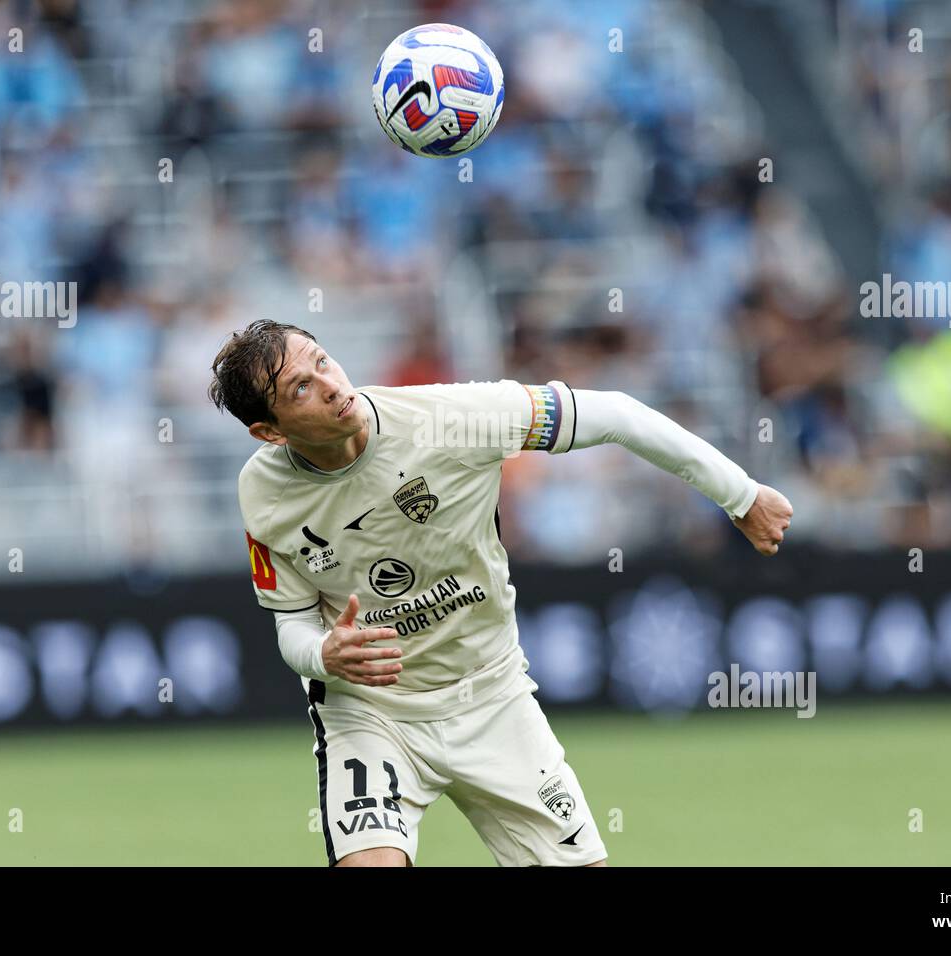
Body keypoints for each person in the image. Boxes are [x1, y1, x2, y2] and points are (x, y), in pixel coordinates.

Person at [209, 320, 793, 867]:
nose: (333, 385)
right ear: (270, 431)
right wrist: (323, 656)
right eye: (302, 387)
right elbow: (291, 625)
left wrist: (740, 495)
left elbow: (615, 414)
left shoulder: (452, 419)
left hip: (492, 695)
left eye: (323, 361)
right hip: (372, 712)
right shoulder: (263, 493)